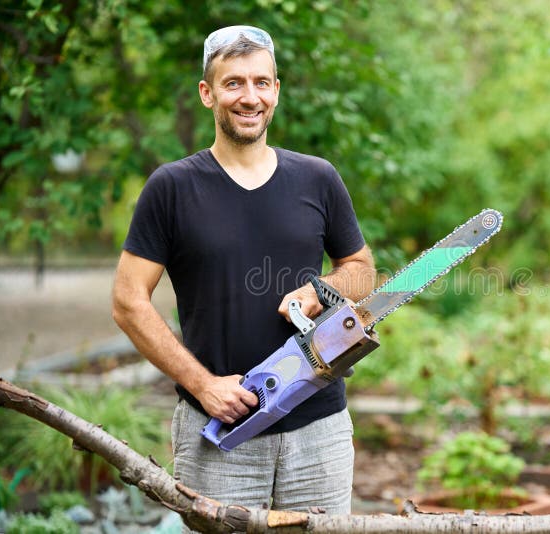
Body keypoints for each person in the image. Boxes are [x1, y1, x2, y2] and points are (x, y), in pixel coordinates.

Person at [112, 25, 375, 518]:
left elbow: (361, 270)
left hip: (320, 428)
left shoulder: (317, 178)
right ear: (207, 93)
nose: (249, 96)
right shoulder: (171, 188)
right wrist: (203, 384)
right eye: (233, 83)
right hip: (220, 432)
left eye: (261, 82)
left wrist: (322, 291)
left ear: (276, 90)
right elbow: (128, 301)